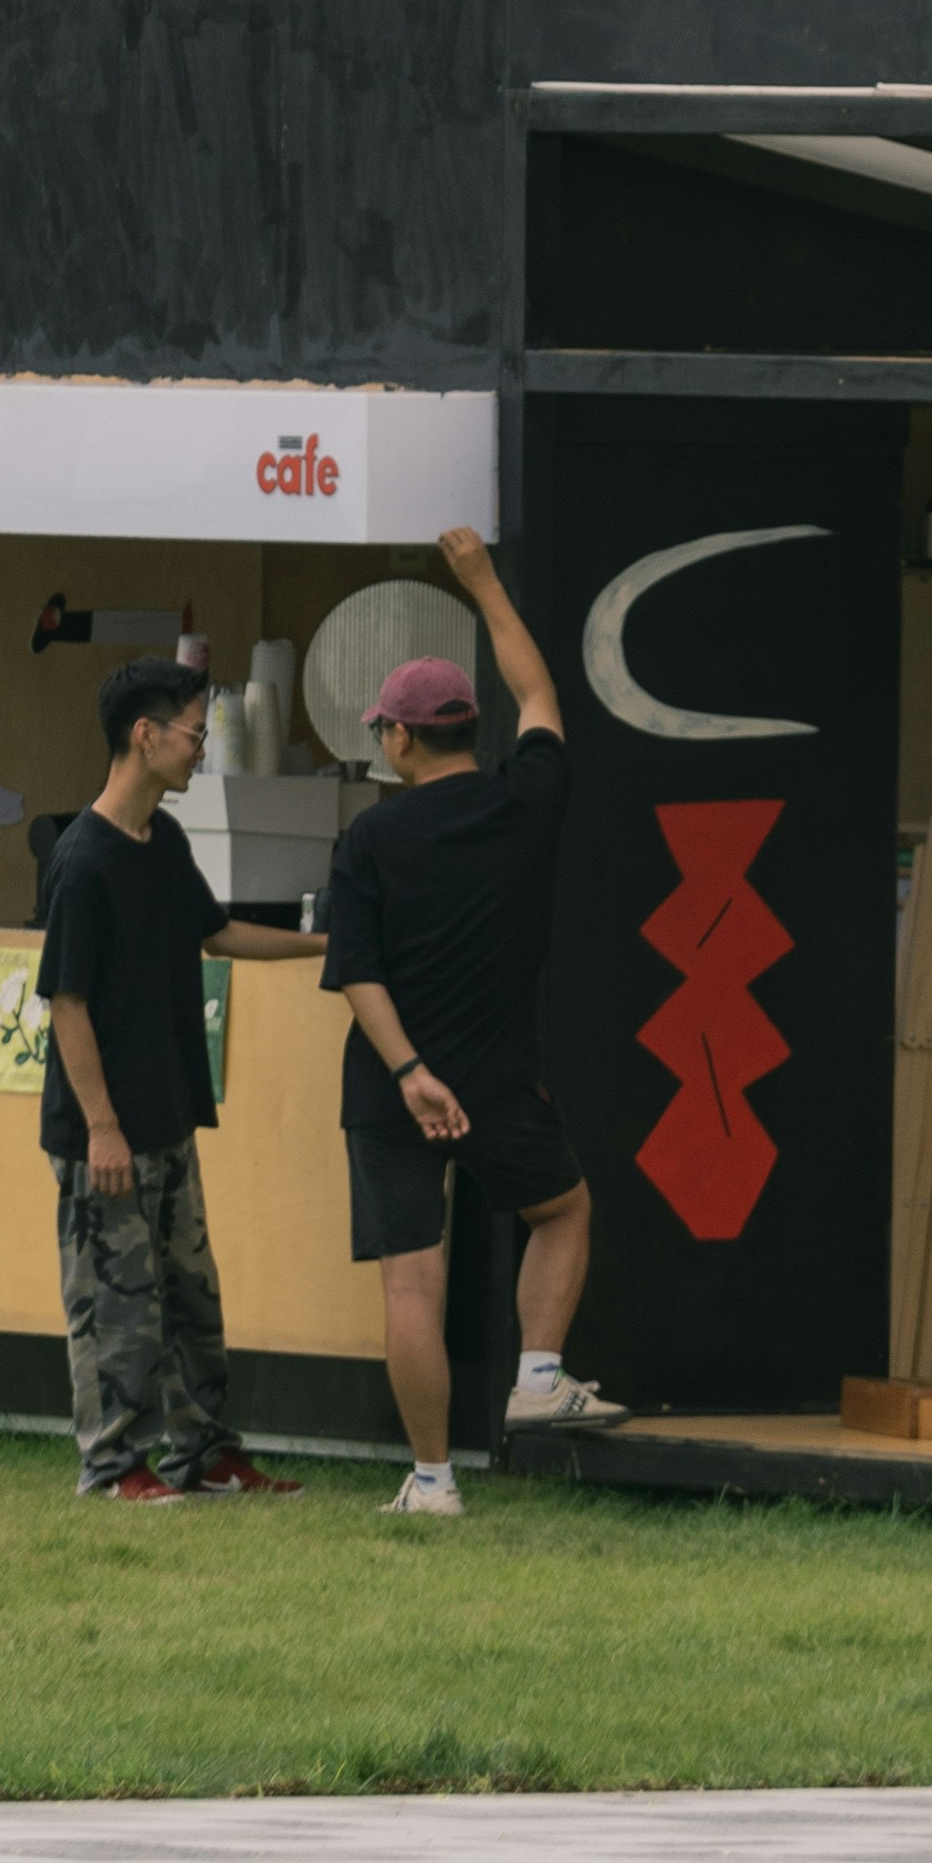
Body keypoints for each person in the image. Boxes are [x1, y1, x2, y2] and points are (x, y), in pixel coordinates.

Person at [319, 518, 618, 1519]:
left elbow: (358, 972)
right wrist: (481, 579)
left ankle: (435, 1479)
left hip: (394, 1086)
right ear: (470, 728)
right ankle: (539, 1369)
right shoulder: (526, 799)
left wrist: (408, 1069)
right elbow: (541, 691)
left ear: (401, 736)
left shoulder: (368, 837)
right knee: (563, 1207)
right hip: (496, 1076)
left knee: (414, 1283)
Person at [36, 657, 312, 1506]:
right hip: (105, 1133)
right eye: (193, 734)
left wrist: (331, 949)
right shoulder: (82, 860)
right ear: (144, 736)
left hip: (170, 1120)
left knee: (191, 1295)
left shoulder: (166, 841)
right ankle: (115, 1467)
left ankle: (204, 1453)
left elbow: (217, 933)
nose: (200, 750)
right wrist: (104, 1128)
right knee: (116, 1305)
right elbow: (67, 1005)